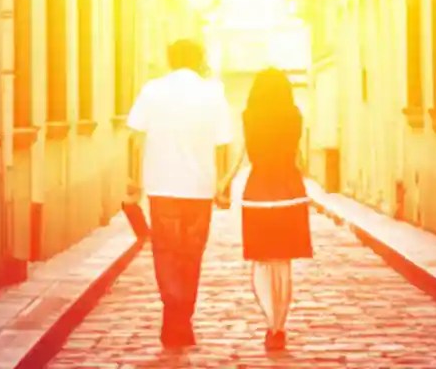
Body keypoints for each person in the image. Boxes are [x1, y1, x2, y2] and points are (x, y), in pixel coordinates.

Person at [126, 39, 233, 348]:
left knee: (166, 252)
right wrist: (223, 187)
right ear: (199, 59)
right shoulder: (213, 92)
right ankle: (182, 318)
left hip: (162, 184)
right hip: (199, 188)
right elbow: (223, 142)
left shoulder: (152, 90)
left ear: (169, 59)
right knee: (191, 255)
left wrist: (132, 180)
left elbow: (134, 136)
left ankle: (173, 315)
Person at [221, 67, 313, 351]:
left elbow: (242, 153)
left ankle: (269, 320)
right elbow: (299, 157)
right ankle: (280, 327)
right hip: (290, 192)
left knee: (262, 262)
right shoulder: (294, 115)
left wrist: (225, 181)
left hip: (258, 192)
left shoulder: (249, 116)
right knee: (283, 264)